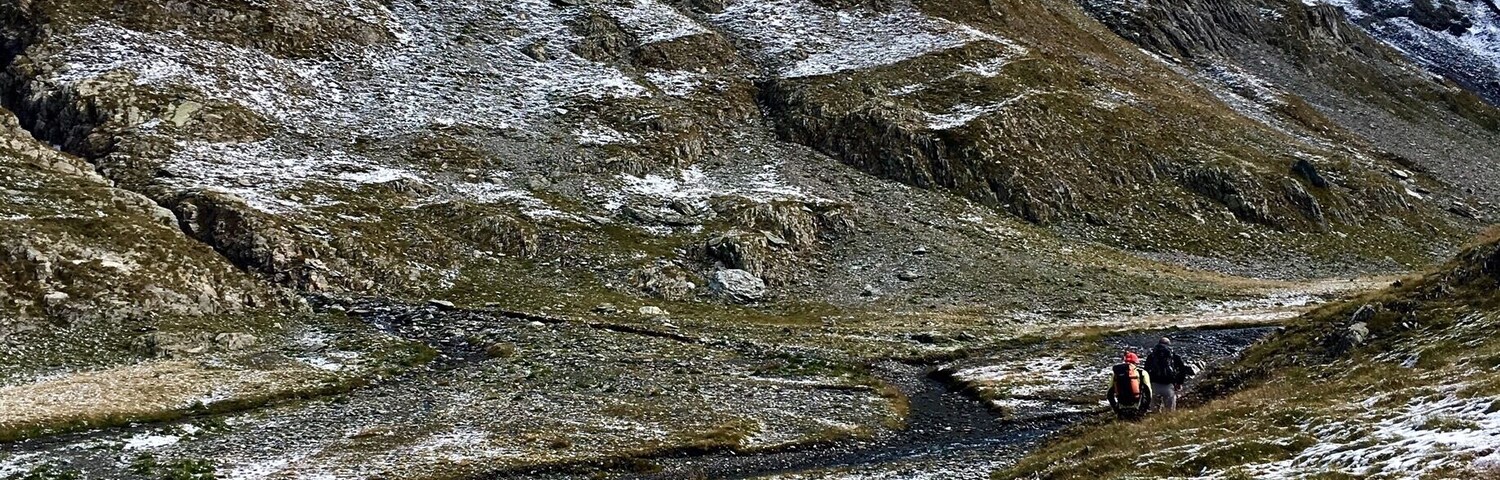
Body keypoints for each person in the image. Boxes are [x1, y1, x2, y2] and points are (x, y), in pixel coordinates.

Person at [1145, 337, 1189, 412]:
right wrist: (1179, 383)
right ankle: (1168, 422)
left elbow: (1146, 370)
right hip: (1169, 385)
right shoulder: (1174, 356)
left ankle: (1155, 422)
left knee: (1155, 409)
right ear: (1169, 344)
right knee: (1170, 410)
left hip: (1154, 385)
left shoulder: (1151, 356)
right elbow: (1182, 370)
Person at [1106, 351, 1152, 420]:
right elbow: (1148, 393)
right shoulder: (1142, 373)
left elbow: (1109, 393)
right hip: (1137, 406)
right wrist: (1143, 410)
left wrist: (1116, 409)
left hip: (1121, 406)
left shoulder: (1116, 374)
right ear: (1136, 362)